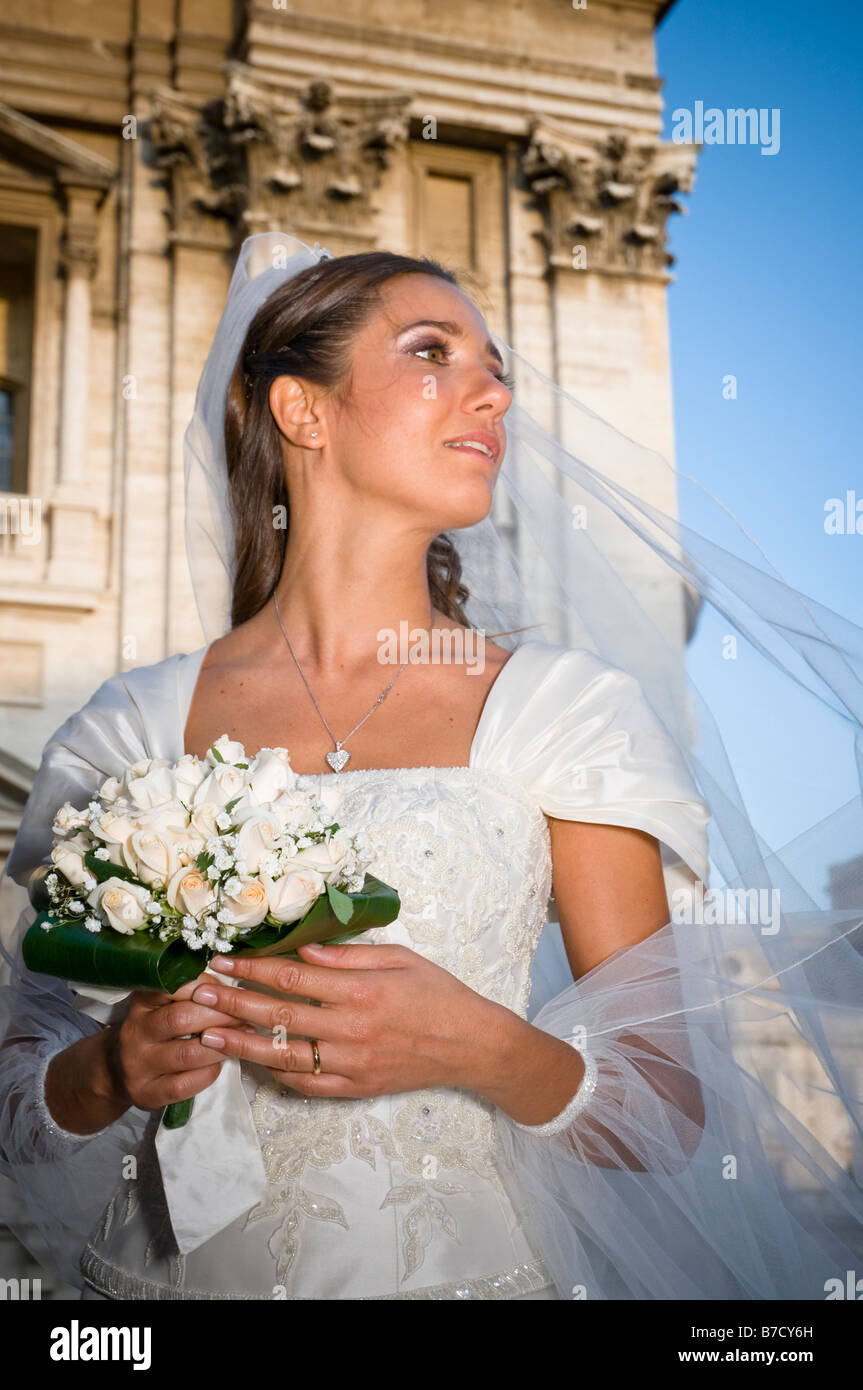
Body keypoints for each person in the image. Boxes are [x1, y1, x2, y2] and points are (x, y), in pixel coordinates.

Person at [0, 234, 860, 1301]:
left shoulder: (566, 712)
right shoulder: (126, 730)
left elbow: (662, 1106)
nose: (491, 394)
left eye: (494, 367)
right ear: (301, 409)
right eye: (431, 352)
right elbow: (25, 1091)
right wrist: (111, 1068)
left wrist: (481, 1046)